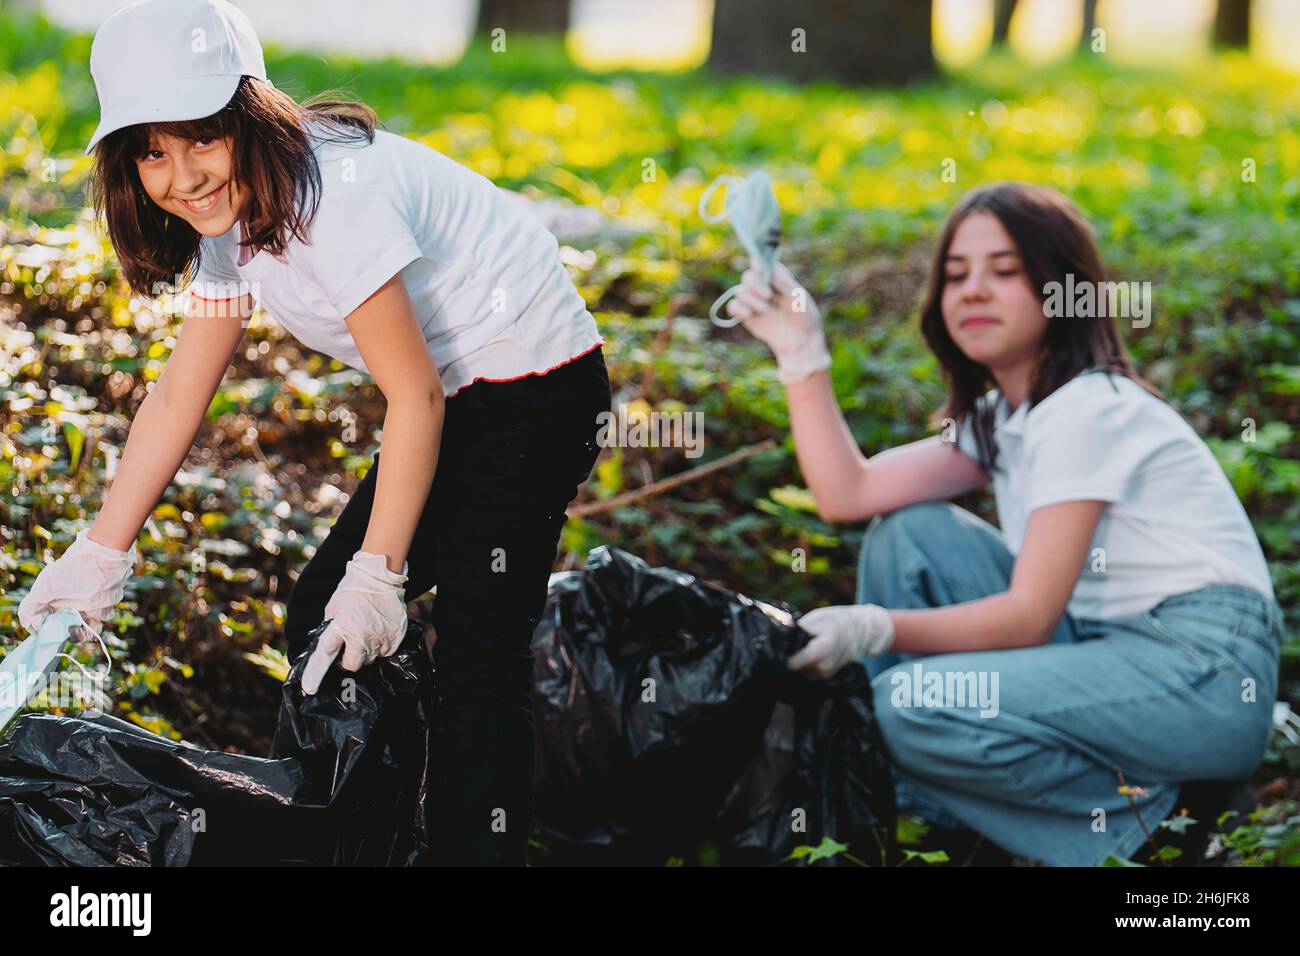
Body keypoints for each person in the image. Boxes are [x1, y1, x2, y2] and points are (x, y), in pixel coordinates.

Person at [16, 0, 609, 867]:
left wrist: (381, 574)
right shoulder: (229, 218)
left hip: (536, 388)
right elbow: (182, 389)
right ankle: (369, 837)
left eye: (200, 138)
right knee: (318, 619)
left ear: (250, 115)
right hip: (456, 391)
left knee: (481, 658)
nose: (181, 176)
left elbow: (414, 399)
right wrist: (101, 552)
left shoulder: (336, 200)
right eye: (152, 150)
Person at [724, 180, 1283, 866]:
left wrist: (872, 627)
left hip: (1200, 672)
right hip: (1106, 650)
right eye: (956, 275)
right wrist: (800, 352)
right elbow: (849, 491)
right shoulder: (1007, 420)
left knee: (911, 703)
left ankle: (1165, 827)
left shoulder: (1088, 409)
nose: (973, 291)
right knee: (911, 535)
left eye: (1006, 271)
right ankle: (984, 811)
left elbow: (1029, 619)